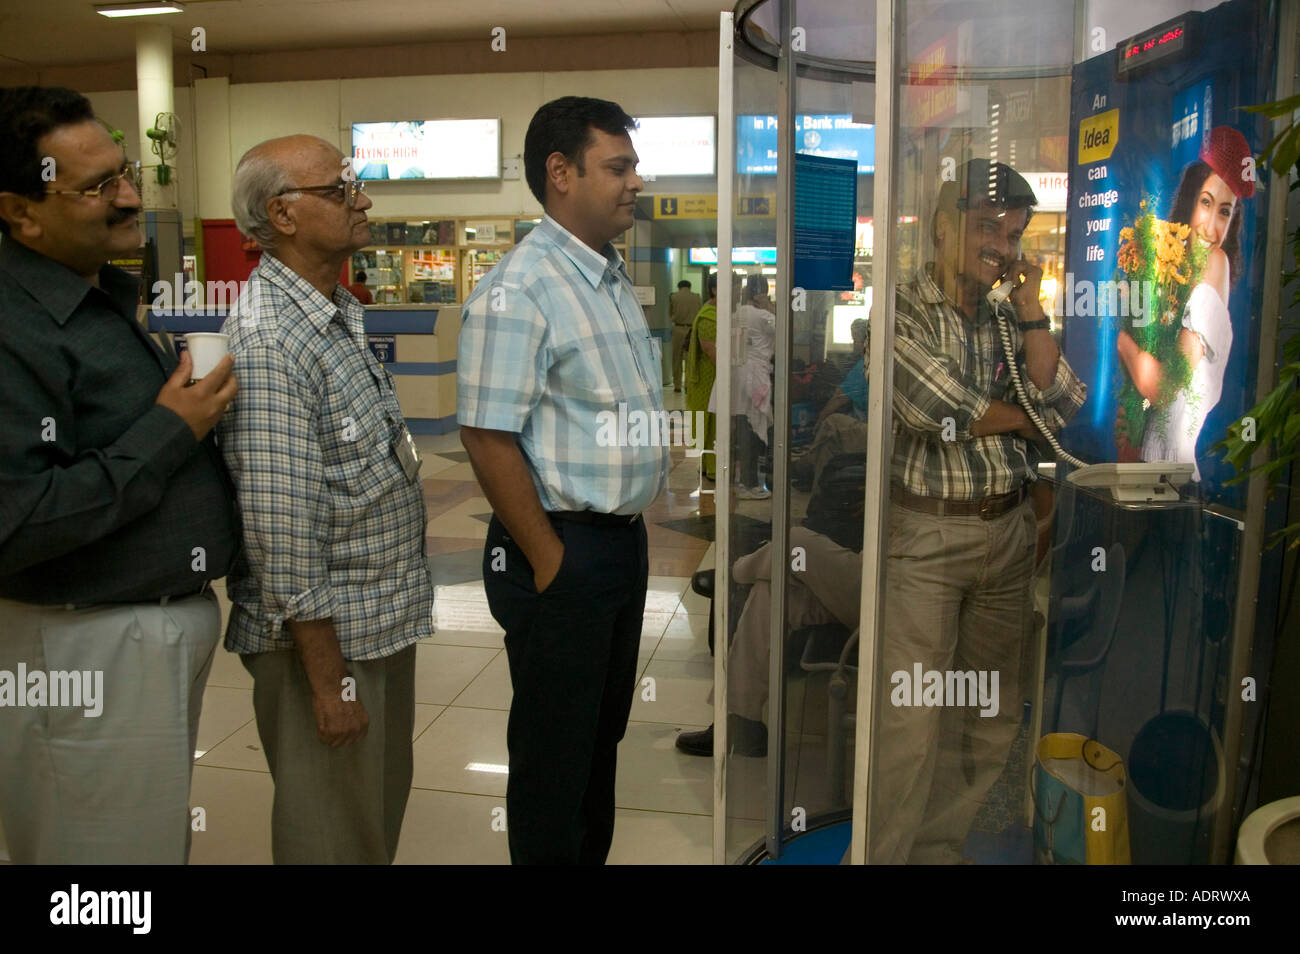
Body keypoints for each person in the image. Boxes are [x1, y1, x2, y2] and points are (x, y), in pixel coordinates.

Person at [0, 86, 239, 863]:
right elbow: (21, 520)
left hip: (144, 632)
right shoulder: (16, 327)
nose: (131, 195)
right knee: (96, 859)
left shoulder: (97, 295)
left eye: (125, 171)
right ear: (19, 211)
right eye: (97, 186)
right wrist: (172, 430)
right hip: (83, 646)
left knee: (140, 845)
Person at [457, 96, 668, 864]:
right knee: (555, 758)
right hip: (561, 548)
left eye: (633, 165)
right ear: (561, 173)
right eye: (618, 167)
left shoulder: (604, 279)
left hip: (618, 545)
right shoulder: (524, 289)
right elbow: (485, 433)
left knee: (597, 741)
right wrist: (549, 557)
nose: (635, 182)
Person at [219, 134, 433, 864]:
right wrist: (329, 680)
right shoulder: (270, 338)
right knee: (331, 838)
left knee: (366, 823)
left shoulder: (332, 311)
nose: (362, 201)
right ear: (281, 214)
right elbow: (282, 530)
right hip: (329, 642)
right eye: (340, 191)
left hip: (374, 623)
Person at [871, 159, 1086, 864]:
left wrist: (1031, 309)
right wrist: (1024, 414)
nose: (1003, 246)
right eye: (988, 227)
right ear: (942, 228)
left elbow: (1065, 397)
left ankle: (938, 850)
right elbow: (937, 410)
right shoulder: (901, 306)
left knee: (991, 713)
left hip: (1010, 531)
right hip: (928, 535)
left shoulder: (1006, 317)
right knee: (910, 720)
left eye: (1015, 233)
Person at [1115, 125, 1254, 481]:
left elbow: (1159, 387)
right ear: (1191, 200)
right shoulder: (1174, 281)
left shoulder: (1215, 264)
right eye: (1206, 203)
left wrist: (1124, 343)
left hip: (1171, 483)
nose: (1210, 226)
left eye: (1225, 211)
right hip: (1151, 475)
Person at [732, 274, 776, 499]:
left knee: (744, 426)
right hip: (757, 377)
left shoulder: (739, 313)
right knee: (754, 428)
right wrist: (770, 306)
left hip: (740, 374)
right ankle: (750, 483)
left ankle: (744, 480)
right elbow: (785, 331)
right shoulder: (764, 315)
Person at [685, 273, 718, 480]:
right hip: (708, 380)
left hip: (715, 379)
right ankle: (713, 468)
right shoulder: (709, 316)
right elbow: (711, 351)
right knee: (711, 425)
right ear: (715, 289)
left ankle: (710, 466)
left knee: (714, 424)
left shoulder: (718, 312)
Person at [669, 278, 701, 392]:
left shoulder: (673, 297)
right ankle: (688, 384)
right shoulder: (697, 297)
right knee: (690, 358)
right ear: (690, 287)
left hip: (678, 328)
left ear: (679, 287)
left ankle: (677, 385)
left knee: (676, 358)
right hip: (692, 330)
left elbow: (670, 313)